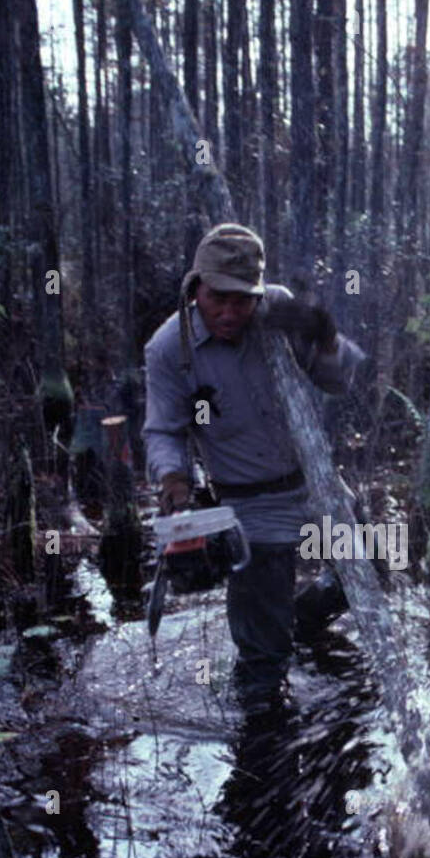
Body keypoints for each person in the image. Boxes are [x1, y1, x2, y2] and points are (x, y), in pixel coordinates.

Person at [142, 223, 358, 710]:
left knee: (369, 569)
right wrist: (176, 487)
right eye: (217, 297)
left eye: (242, 300)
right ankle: (264, 747)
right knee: (263, 667)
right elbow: (163, 431)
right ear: (195, 285)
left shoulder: (277, 308)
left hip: (318, 485)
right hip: (247, 503)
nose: (229, 311)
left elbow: (338, 381)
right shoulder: (167, 349)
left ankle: (295, 621)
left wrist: (325, 339)